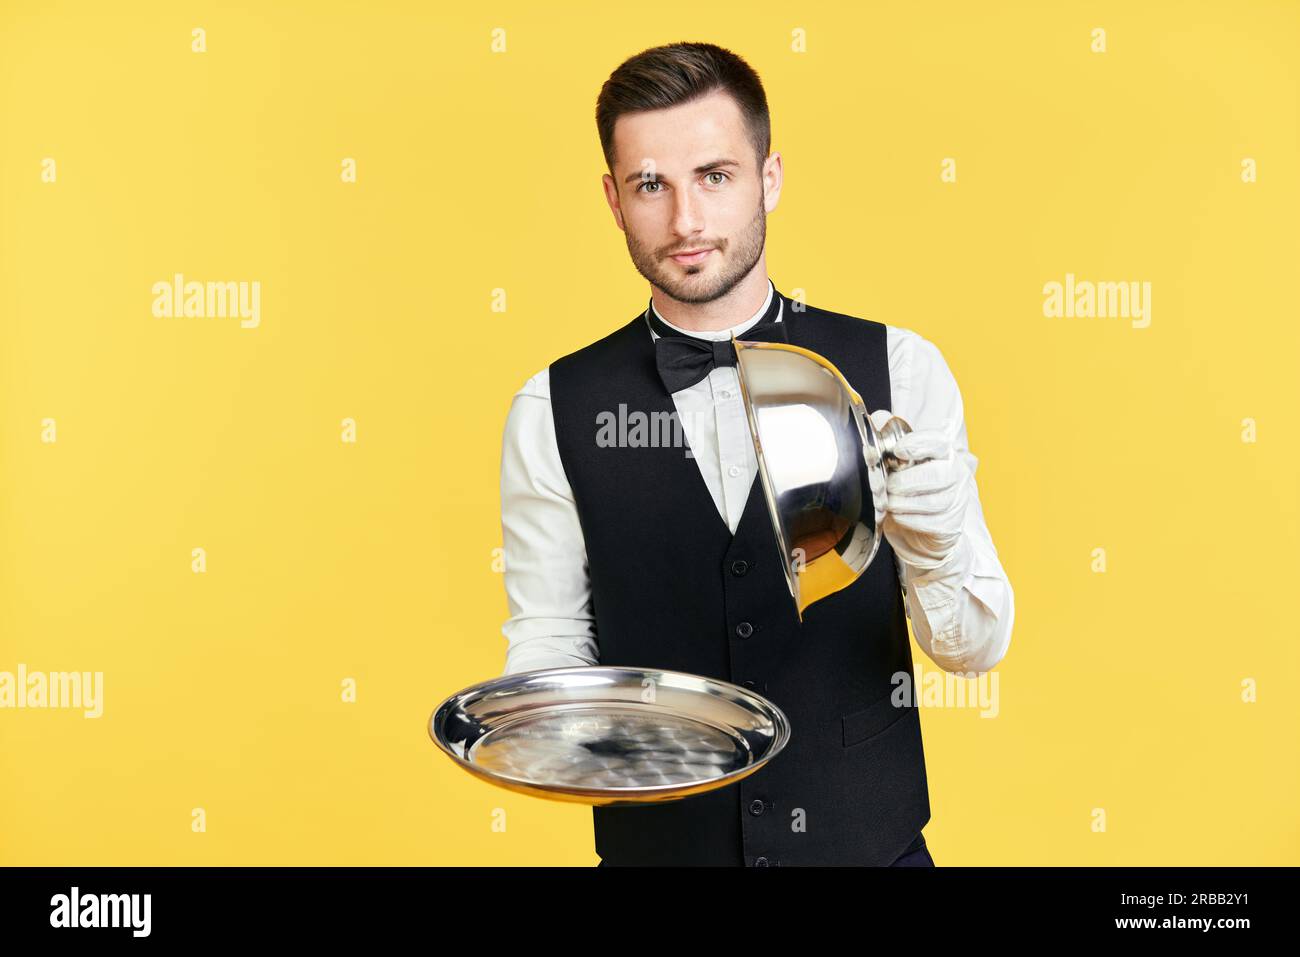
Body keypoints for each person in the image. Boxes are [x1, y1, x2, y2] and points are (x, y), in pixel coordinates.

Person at [498, 41, 1014, 866]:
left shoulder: (901, 370)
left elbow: (973, 650)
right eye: (650, 185)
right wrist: (543, 734)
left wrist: (940, 540)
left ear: (768, 178)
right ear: (613, 198)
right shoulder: (548, 408)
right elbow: (551, 649)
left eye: (715, 175)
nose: (686, 222)